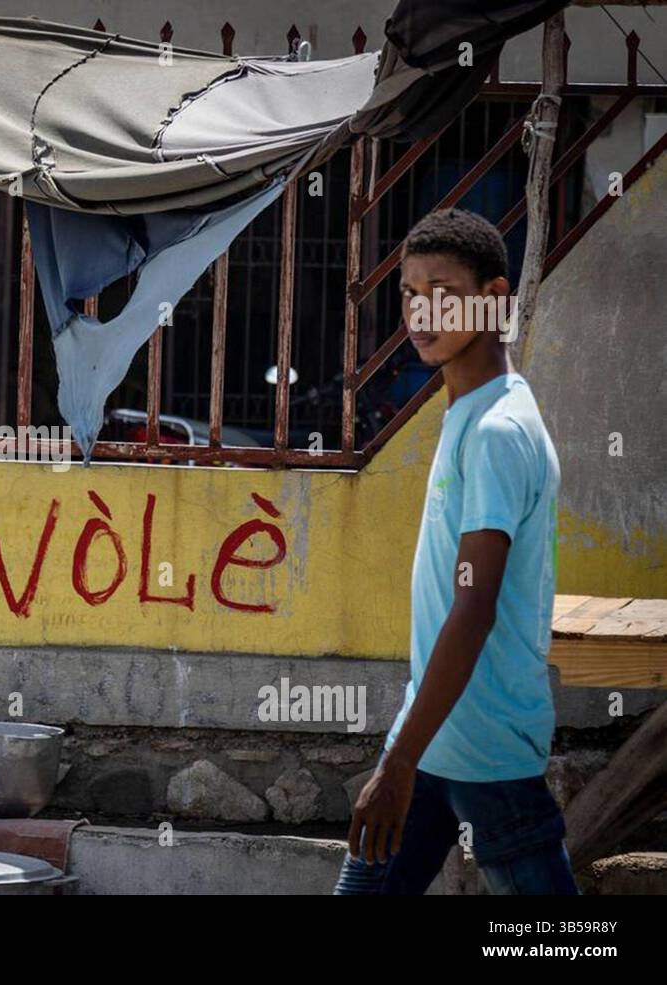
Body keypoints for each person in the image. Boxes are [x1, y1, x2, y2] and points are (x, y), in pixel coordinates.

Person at [334, 208, 577, 895]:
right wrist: (409, 748)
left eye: (441, 289)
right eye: (409, 292)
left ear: (495, 296)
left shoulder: (498, 429)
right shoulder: (468, 409)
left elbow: (473, 609)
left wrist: (399, 760)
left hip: (484, 749)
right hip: (436, 733)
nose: (421, 310)